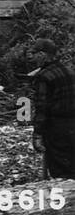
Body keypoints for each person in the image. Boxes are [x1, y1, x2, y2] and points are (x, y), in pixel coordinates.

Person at [30, 38, 75, 178]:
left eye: (35, 53)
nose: (33, 57)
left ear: (43, 54)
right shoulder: (69, 71)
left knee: (59, 169)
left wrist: (37, 134)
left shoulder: (44, 76)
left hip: (57, 128)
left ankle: (66, 196)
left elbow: (42, 108)